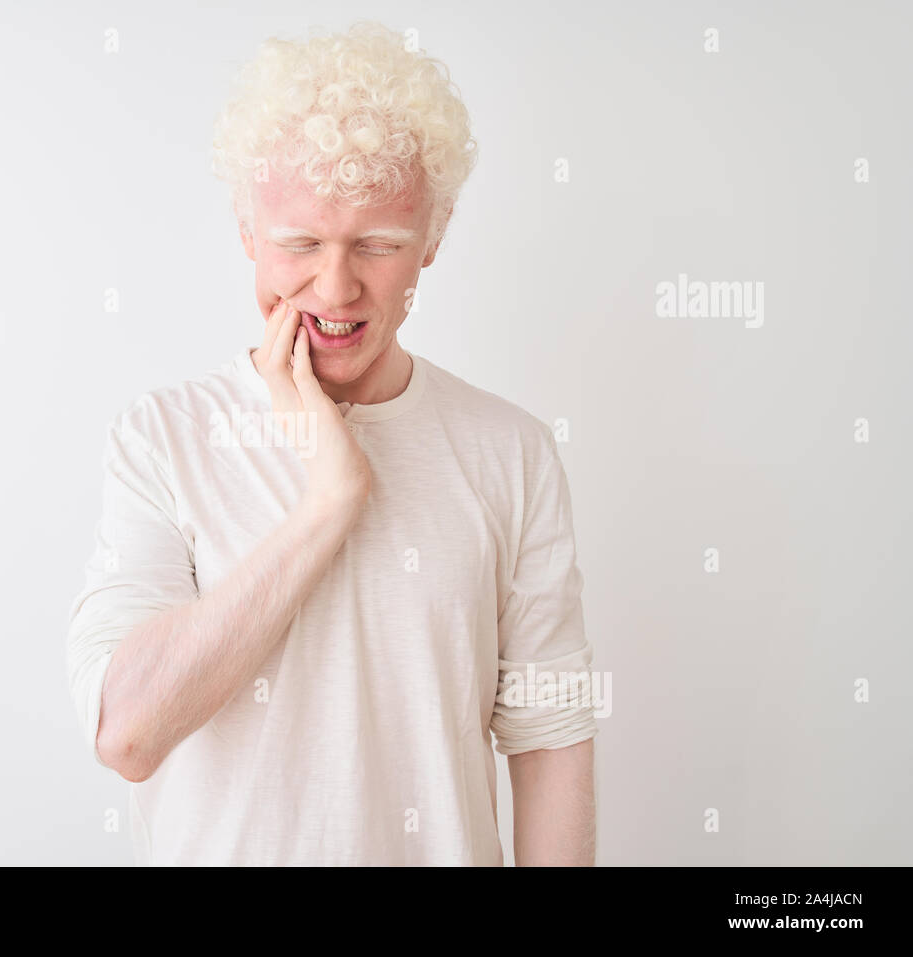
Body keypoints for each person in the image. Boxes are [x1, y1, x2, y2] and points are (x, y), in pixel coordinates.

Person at [66, 20, 598, 866]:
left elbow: (550, 740)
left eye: (379, 245)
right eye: (300, 243)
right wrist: (329, 501)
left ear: (434, 236)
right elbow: (127, 731)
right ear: (247, 232)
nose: (336, 285)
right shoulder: (162, 438)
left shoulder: (513, 451)